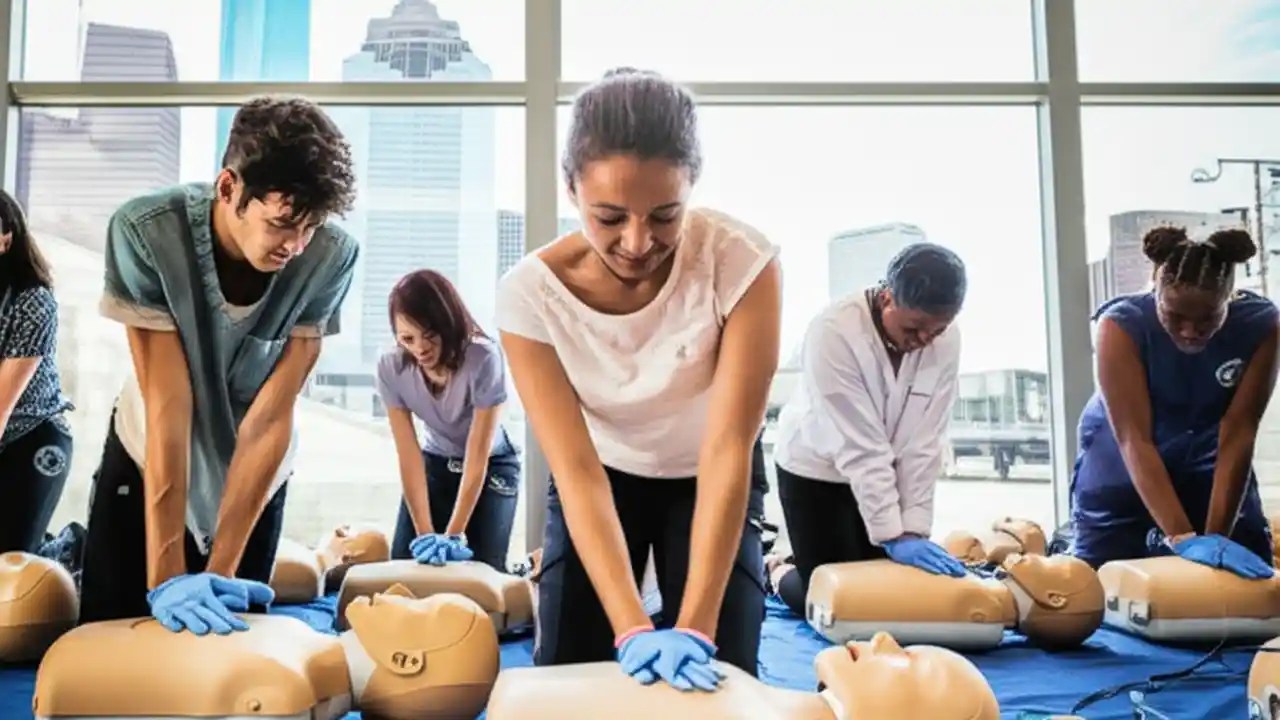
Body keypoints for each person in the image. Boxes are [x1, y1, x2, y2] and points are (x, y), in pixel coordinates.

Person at [497, 68, 781, 692]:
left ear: (691, 188)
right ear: (571, 189)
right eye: (609, 217)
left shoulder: (741, 260)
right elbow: (574, 468)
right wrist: (629, 628)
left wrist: (697, 627)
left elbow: (729, 445)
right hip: (603, 470)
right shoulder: (529, 295)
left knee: (726, 667)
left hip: (710, 470)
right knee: (568, 668)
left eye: (664, 215)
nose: (637, 242)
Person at [79, 96, 361, 634]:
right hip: (151, 447)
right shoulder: (145, 232)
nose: (297, 245)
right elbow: (169, 407)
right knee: (115, 638)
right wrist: (166, 576)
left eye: (311, 226)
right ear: (229, 188)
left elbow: (271, 417)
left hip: (256, 462)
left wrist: (221, 570)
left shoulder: (331, 256)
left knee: (230, 646)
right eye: (282, 223)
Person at [768, 244, 968, 617]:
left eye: (937, 330)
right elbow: (860, 447)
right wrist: (891, 535)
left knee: (887, 596)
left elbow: (924, 443)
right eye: (914, 327)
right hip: (816, 470)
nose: (925, 340)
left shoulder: (946, 339)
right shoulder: (833, 332)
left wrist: (913, 530)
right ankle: (777, 568)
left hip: (881, 467)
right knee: (838, 602)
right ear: (887, 297)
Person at [1070, 226, 1276, 579]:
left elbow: (1239, 431)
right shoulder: (1120, 325)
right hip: (1122, 468)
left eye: (1207, 318)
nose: (1190, 331)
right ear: (1156, 291)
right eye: (1175, 315)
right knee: (1108, 586)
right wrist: (1183, 539)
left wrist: (1215, 540)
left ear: (1228, 297)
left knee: (1240, 583)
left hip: (1205, 463)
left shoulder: (1262, 325)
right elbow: (1134, 438)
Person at [377, 269, 520, 571]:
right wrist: (425, 534)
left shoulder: (483, 357)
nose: (420, 348)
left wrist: (454, 534)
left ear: (448, 324)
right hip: (435, 461)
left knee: (481, 572)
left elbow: (477, 453)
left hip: (490, 465)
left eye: (430, 335)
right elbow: (409, 455)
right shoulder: (391, 366)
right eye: (407, 338)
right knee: (406, 565)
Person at [0, 190, 74, 554]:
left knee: (12, 559)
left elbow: (1, 406)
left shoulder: (33, 301)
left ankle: (67, 553)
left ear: (5, 239)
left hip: (33, 435)